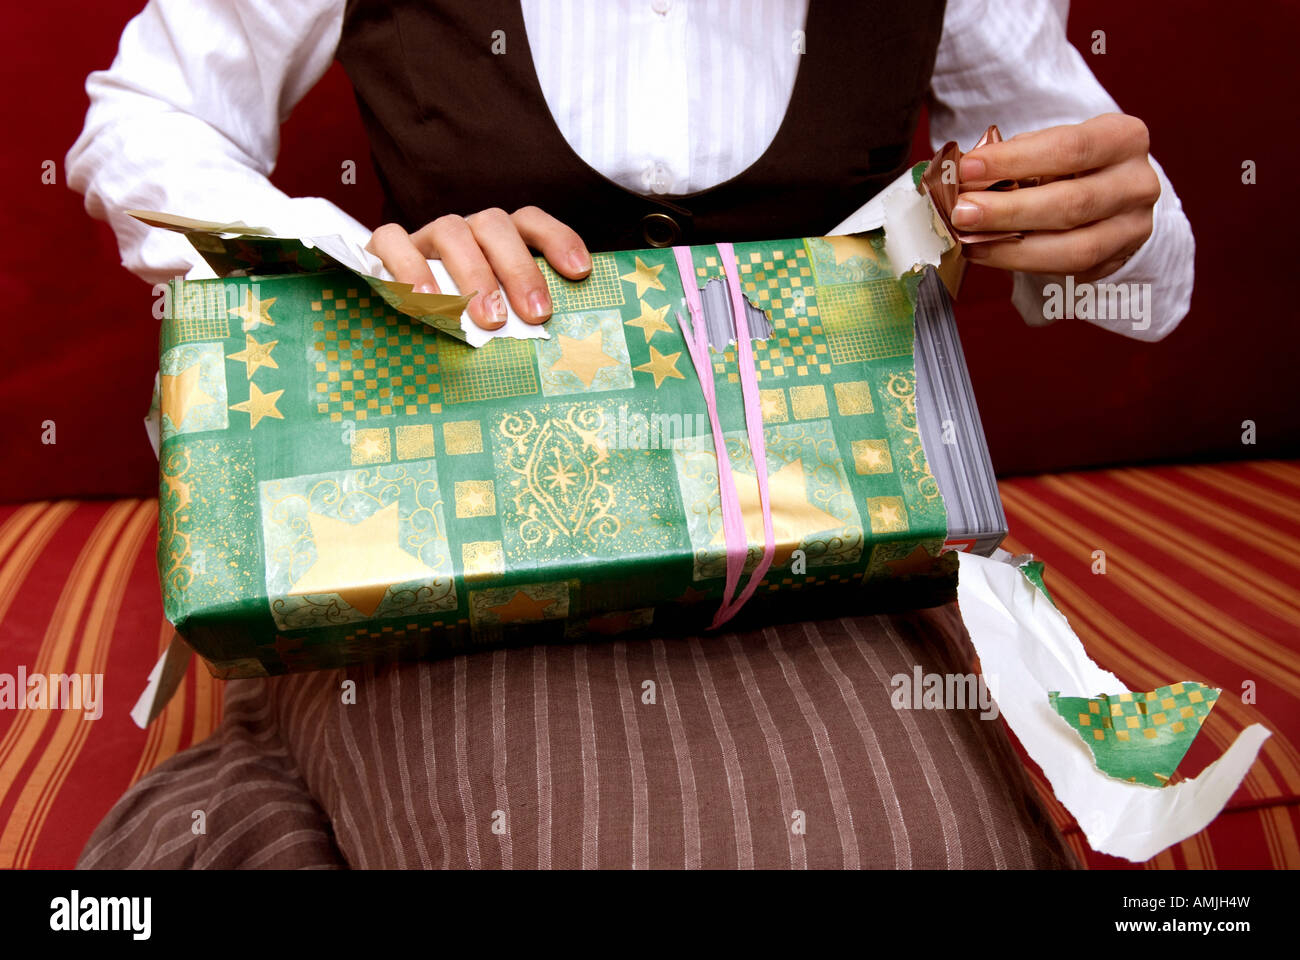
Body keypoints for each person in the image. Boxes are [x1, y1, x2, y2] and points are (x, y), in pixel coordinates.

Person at [68, 0, 1192, 869]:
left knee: (915, 841)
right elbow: (145, 118)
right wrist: (377, 263)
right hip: (444, 543)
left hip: (808, 543)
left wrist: (1110, 236)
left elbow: (1147, 279)